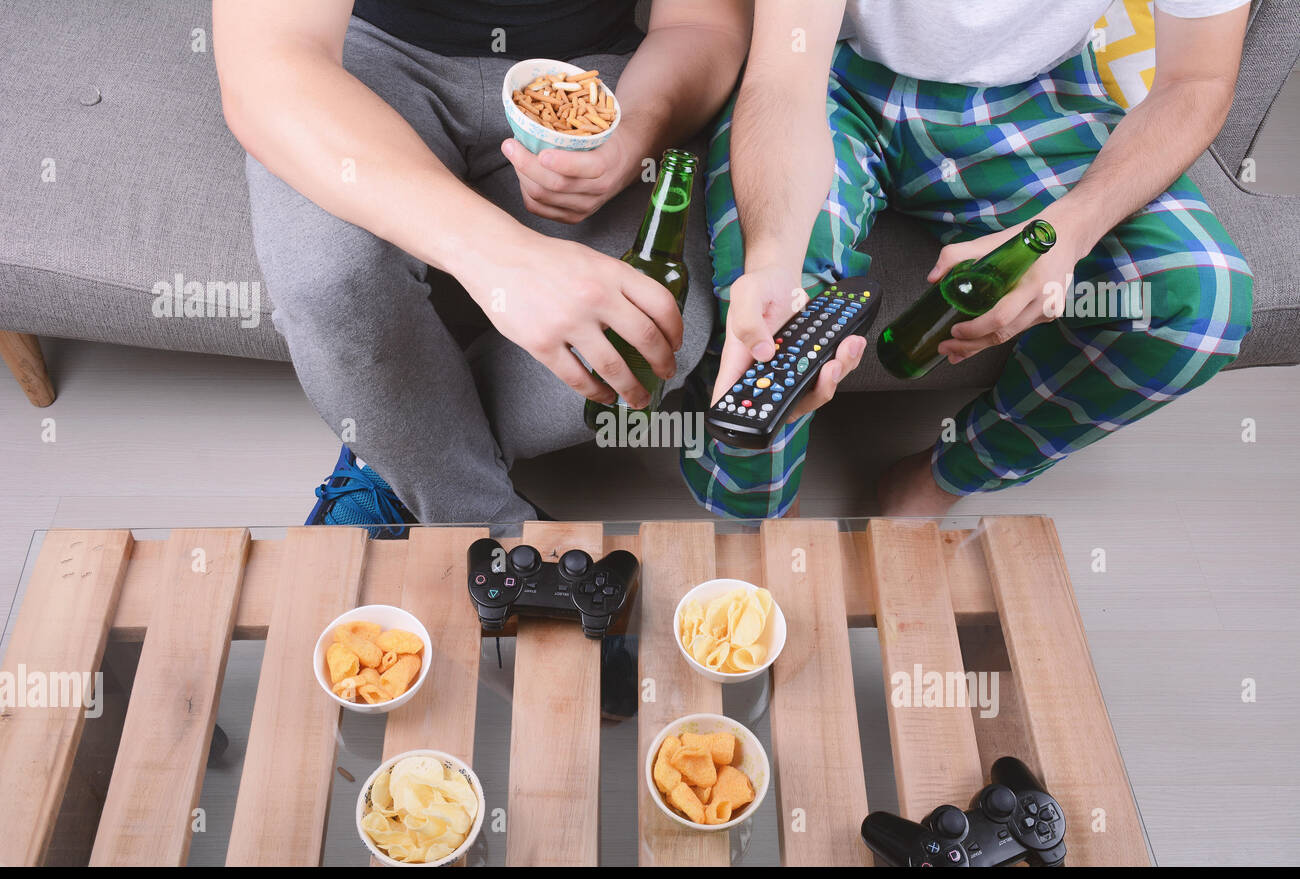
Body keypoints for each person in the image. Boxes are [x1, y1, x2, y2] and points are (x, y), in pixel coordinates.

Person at [682, 0, 1254, 518]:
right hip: (830, 71)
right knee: (769, 308)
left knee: (1201, 300)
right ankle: (757, 516)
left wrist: (1068, 230)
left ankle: (942, 479)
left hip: (1039, 91)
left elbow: (1197, 78)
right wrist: (773, 261)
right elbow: (786, 76)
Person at [213, 0, 750, 530]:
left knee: (652, 328)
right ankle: (482, 516)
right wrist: (503, 260)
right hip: (364, 60)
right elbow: (268, 63)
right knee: (329, 276)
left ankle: (391, 459)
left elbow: (700, 22)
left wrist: (635, 133)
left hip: (592, 73)